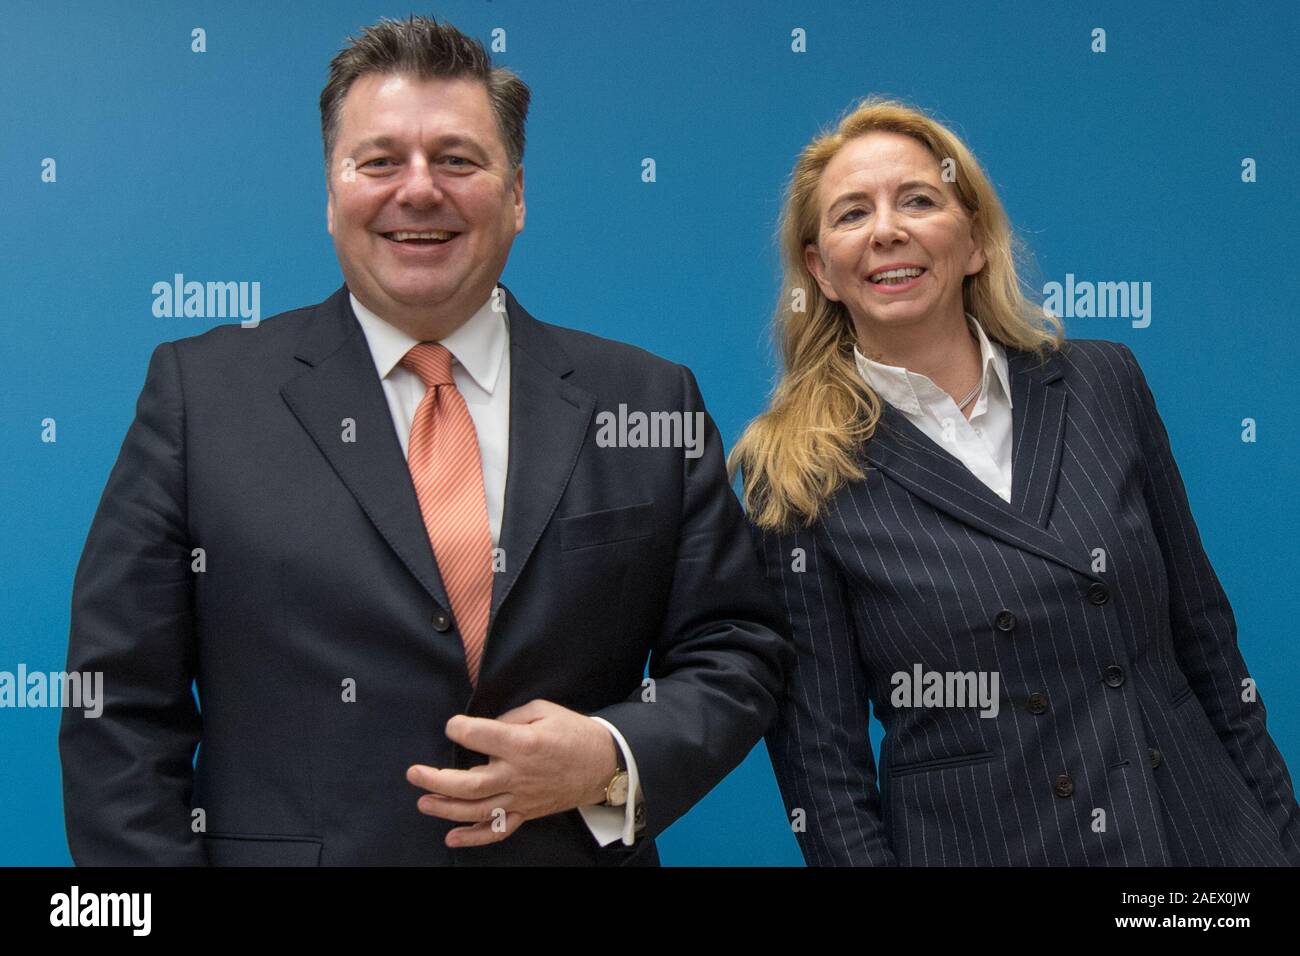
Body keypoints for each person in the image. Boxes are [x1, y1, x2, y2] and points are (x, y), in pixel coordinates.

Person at [59, 15, 790, 866]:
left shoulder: (647, 399)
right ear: (332, 194)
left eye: (456, 159)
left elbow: (737, 648)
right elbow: (116, 701)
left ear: (516, 193)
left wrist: (611, 757)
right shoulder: (200, 395)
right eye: (380, 162)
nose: (418, 190)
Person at [729, 97, 1300, 866]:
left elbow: (1207, 641)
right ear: (820, 269)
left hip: (1199, 846)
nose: (887, 230)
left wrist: (1281, 834)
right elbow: (821, 766)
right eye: (851, 213)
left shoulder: (1103, 381)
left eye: (919, 200)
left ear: (974, 241)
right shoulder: (792, 471)